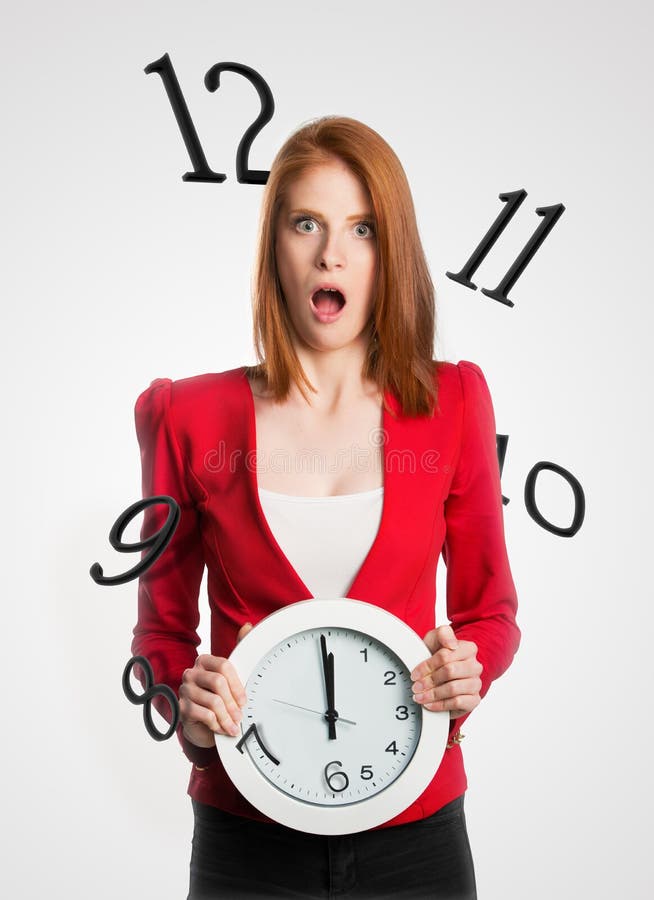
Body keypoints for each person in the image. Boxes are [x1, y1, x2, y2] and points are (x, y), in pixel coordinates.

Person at [131, 115, 521, 899]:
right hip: (246, 835)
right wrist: (187, 709)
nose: (330, 253)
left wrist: (467, 669)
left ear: (391, 252)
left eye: (361, 228)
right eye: (306, 223)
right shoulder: (187, 416)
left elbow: (491, 613)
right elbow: (160, 634)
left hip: (417, 835)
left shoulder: (453, 402)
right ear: (275, 244)